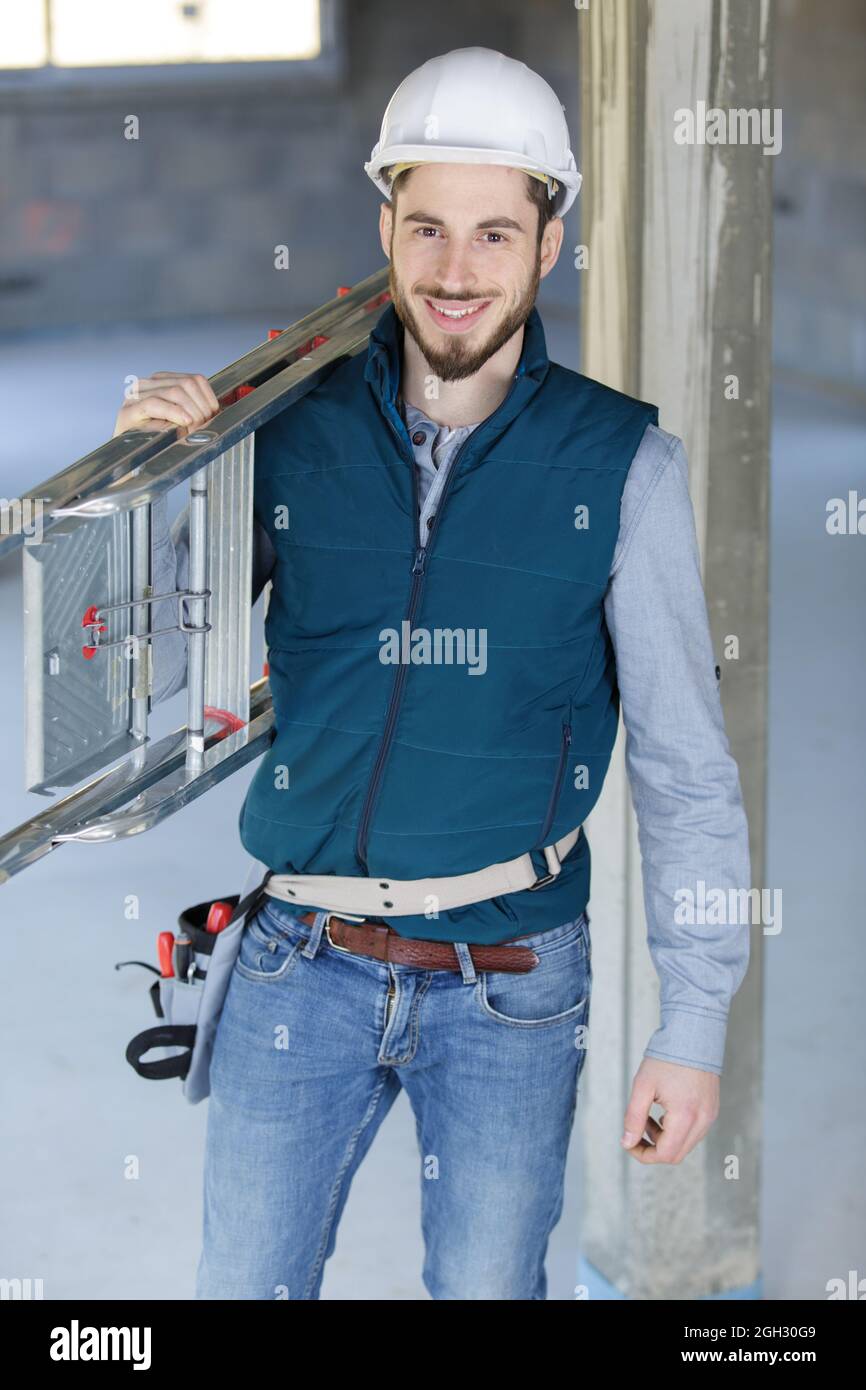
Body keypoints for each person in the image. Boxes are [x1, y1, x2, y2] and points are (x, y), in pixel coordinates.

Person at [113, 48, 750, 1301]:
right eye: (429, 229)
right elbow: (158, 675)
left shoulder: (621, 465)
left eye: (495, 234)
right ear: (386, 230)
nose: (456, 272)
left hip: (511, 986)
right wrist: (162, 491)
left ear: (547, 243)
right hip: (301, 958)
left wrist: (692, 1021)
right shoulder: (284, 428)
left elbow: (684, 765)